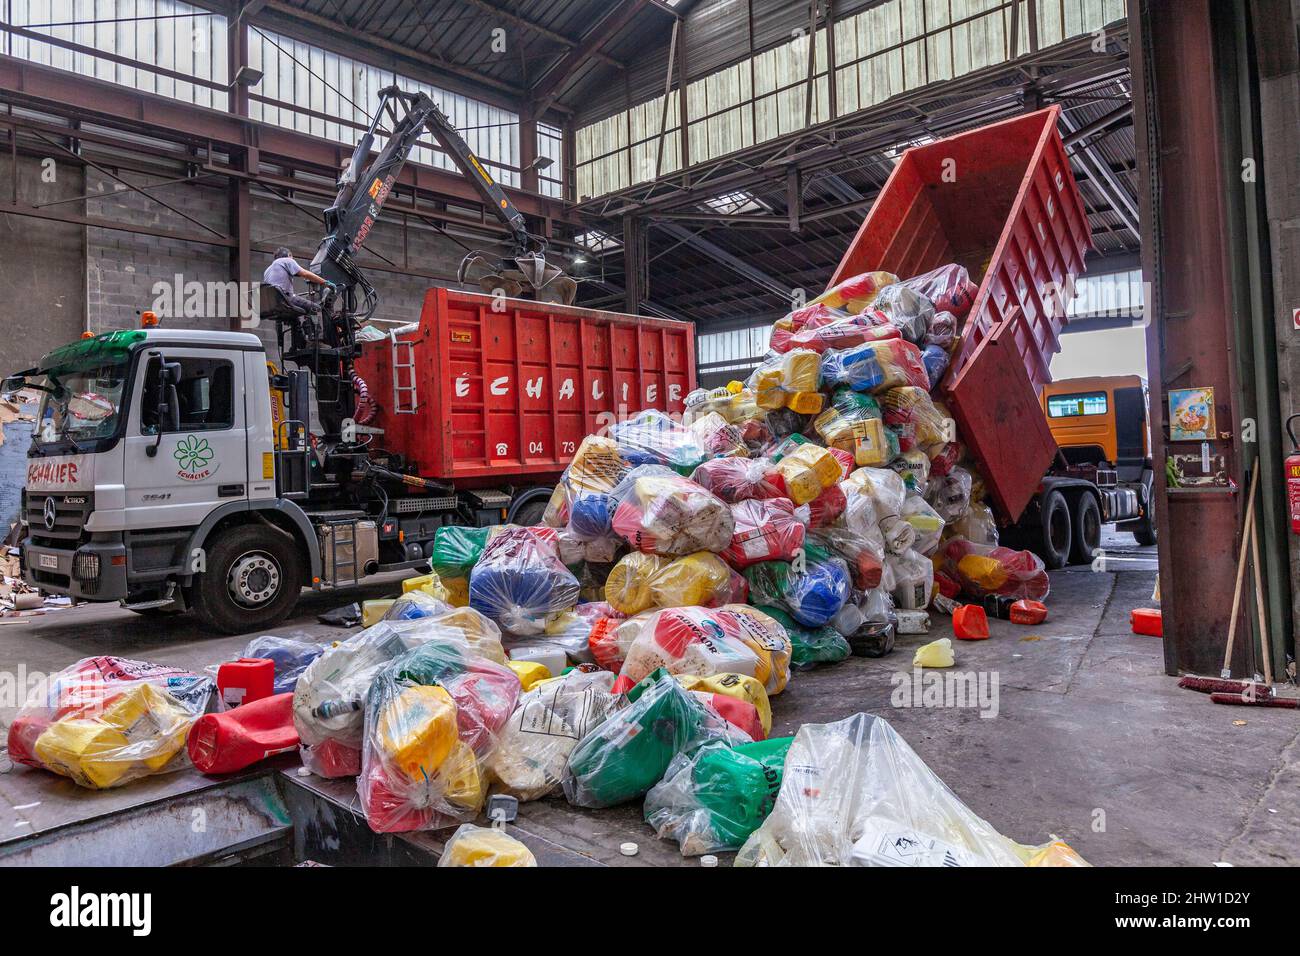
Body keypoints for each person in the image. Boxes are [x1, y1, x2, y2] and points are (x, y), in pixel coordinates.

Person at [263, 246, 333, 313]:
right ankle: (311, 324)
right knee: (316, 308)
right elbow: (305, 273)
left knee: (295, 314)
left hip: (271, 304)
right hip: (284, 299)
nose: (293, 259)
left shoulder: (268, 270)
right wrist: (325, 282)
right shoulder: (288, 260)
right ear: (289, 255)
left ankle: (296, 324)